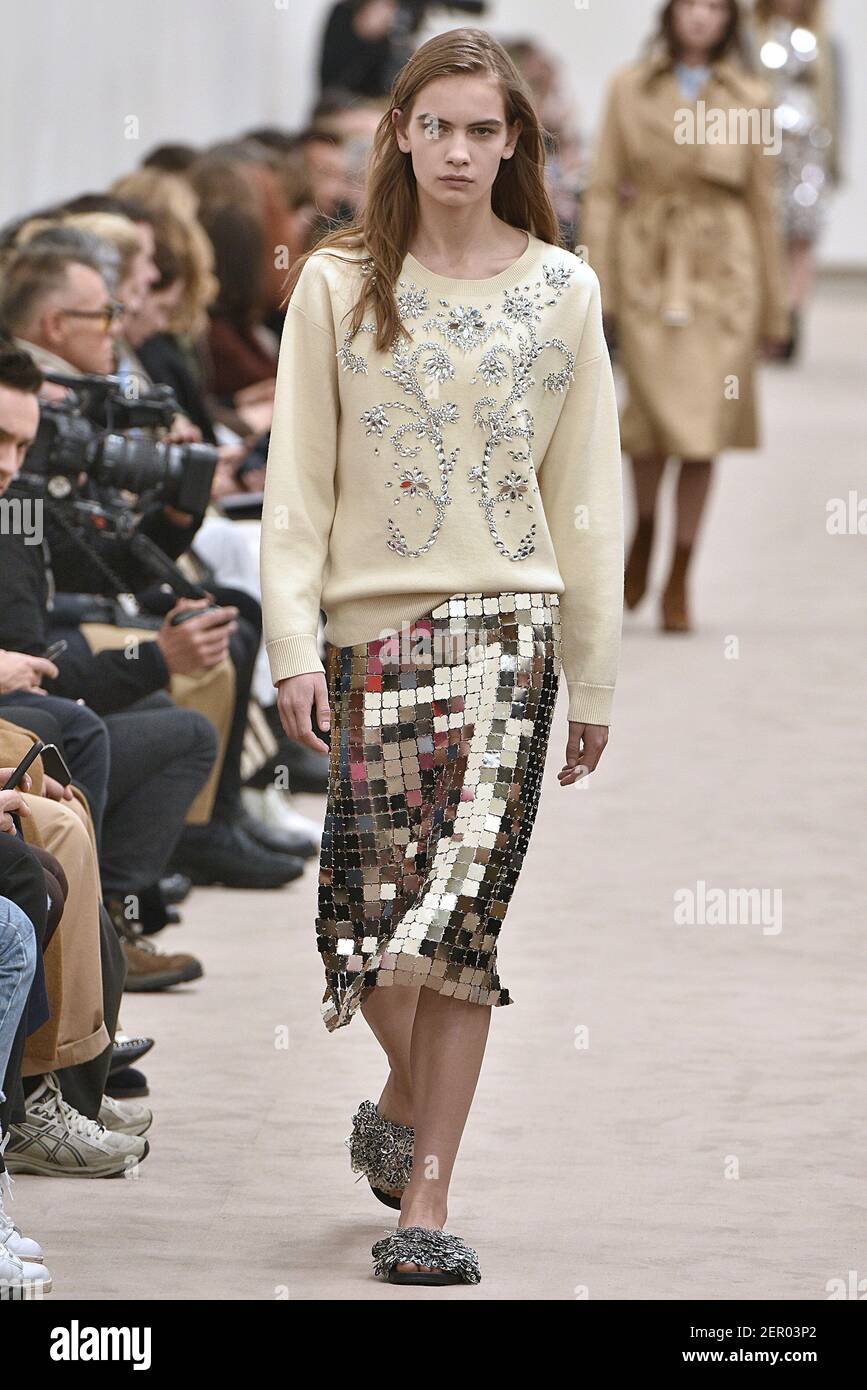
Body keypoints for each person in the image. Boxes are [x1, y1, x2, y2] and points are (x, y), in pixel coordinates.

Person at [260, 26, 624, 1285]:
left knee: (462, 919)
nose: (460, 151)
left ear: (514, 140)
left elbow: (587, 499)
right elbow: (297, 489)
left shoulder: (563, 288)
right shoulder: (337, 284)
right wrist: (291, 645)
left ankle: (426, 1197)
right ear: (400, 135)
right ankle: (406, 1096)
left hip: (511, 633)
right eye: (438, 127)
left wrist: (595, 672)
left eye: (483, 129)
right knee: (363, 927)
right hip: (371, 636)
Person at [581, 0, 790, 632]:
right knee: (648, 418)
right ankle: (645, 527)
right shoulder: (627, 87)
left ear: (729, 19)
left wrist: (775, 307)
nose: (701, 17)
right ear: (670, 13)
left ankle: (680, 569)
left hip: (725, 272)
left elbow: (765, 203)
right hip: (649, 262)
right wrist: (597, 283)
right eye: (690, 4)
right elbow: (602, 189)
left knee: (707, 425)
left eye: (714, 6)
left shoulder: (753, 97)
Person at [747, 0, 843, 360]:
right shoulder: (752, 37)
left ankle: (793, 316)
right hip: (767, 150)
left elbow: (835, 103)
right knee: (768, 234)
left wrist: (834, 161)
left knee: (803, 236)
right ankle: (769, 318)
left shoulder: (826, 43)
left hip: (810, 154)